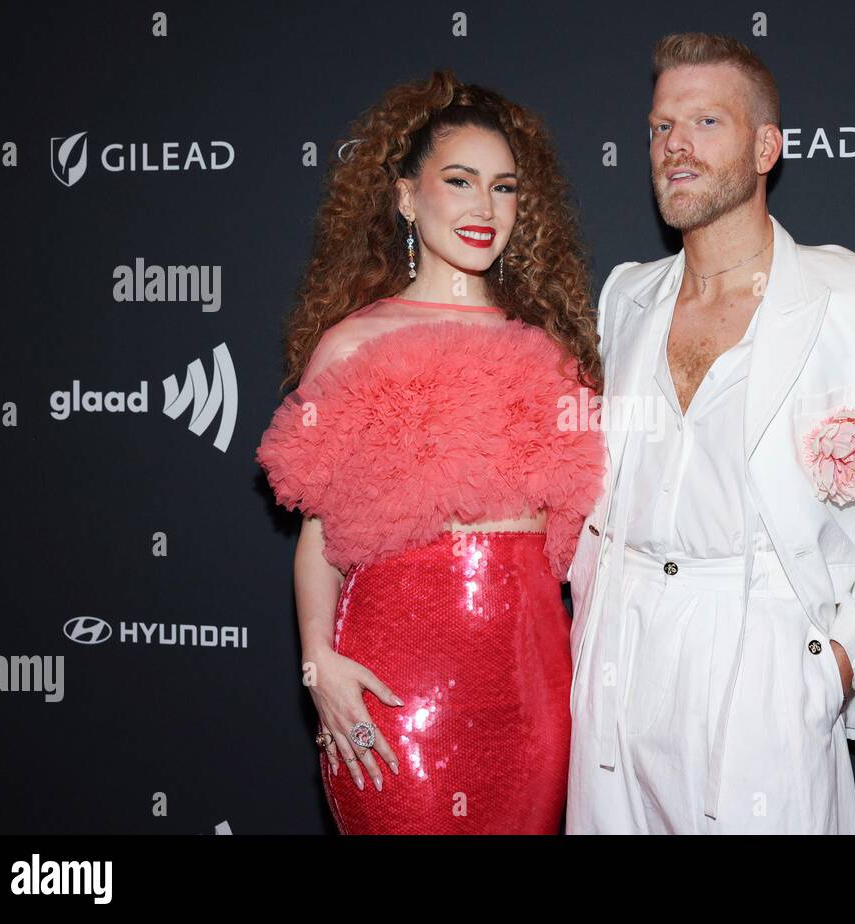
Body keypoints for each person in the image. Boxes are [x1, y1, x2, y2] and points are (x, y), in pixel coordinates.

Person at [565, 33, 855, 834]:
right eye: (661, 126)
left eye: (706, 122)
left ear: (767, 146)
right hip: (615, 657)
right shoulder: (626, 297)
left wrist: (831, 668)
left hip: (761, 658)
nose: (674, 146)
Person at [255, 71, 605, 834]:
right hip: (394, 686)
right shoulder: (352, 346)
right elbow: (318, 535)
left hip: (532, 687)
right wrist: (320, 666)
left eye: (505, 188)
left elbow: (584, 546)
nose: (485, 208)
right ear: (408, 197)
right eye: (460, 181)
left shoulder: (554, 356)